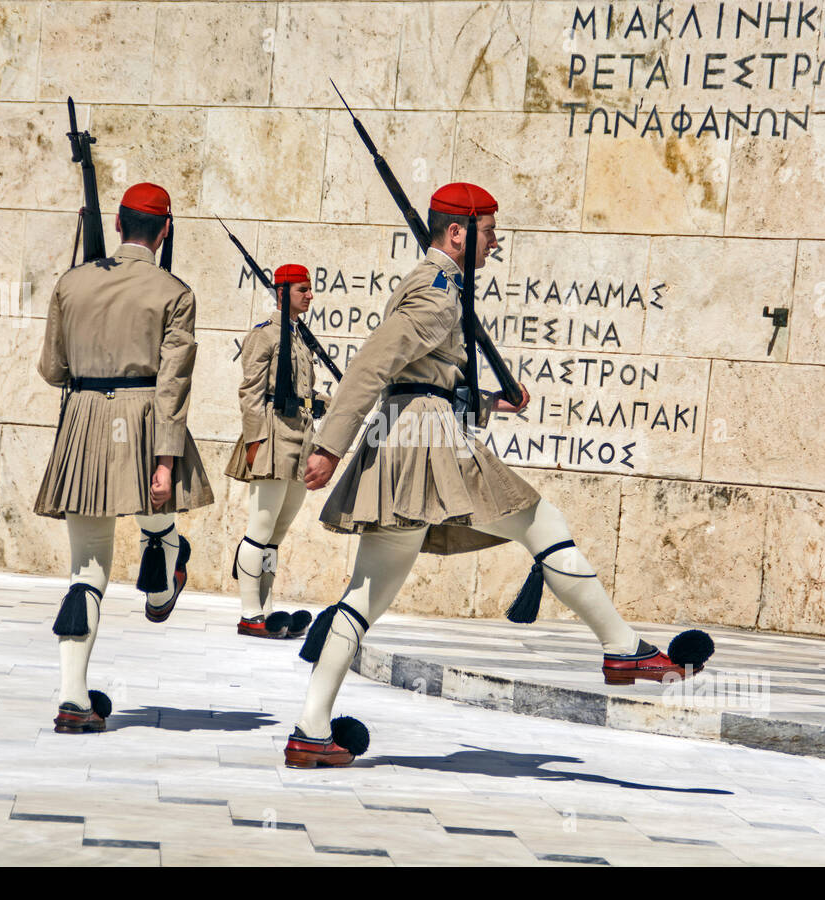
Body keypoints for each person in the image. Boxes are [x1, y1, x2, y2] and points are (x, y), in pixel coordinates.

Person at [283, 182, 713, 768]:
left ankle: (311, 729)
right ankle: (622, 650)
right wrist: (330, 445)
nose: (495, 242)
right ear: (456, 233)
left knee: (364, 597)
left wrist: (488, 403)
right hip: (427, 440)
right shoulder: (437, 295)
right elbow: (374, 363)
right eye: (488, 232)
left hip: (406, 436)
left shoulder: (438, 288)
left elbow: (423, 376)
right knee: (544, 522)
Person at [34, 182, 213, 734]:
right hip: (141, 417)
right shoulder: (174, 292)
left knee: (86, 569)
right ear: (164, 231)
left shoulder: (72, 282)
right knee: (156, 515)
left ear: (116, 225)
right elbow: (173, 384)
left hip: (85, 418)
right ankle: (160, 582)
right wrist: (165, 459)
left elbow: (51, 370)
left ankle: (72, 699)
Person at [224, 264, 327, 639]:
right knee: (260, 528)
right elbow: (250, 393)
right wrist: (254, 443)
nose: (310, 295)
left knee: (277, 532)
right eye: (303, 289)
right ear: (283, 293)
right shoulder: (265, 335)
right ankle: (249, 614)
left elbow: (303, 390)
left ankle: (266, 612)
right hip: (272, 437)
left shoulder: (299, 337)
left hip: (300, 437)